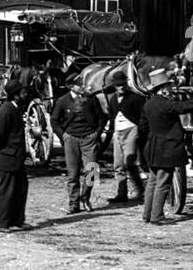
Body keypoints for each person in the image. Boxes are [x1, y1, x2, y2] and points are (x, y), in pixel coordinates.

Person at [137, 78, 193, 224]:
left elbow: (143, 127)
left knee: (152, 182)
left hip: (152, 147)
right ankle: (157, 217)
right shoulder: (166, 103)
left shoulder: (147, 104)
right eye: (168, 87)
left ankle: (147, 215)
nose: (171, 89)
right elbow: (187, 106)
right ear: (162, 88)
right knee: (163, 183)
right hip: (167, 148)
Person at [0, 79, 33, 232]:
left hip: (16, 157)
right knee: (7, 190)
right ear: (16, 95)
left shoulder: (16, 108)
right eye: (23, 92)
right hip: (6, 157)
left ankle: (17, 220)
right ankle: (1, 223)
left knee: (21, 188)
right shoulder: (6, 110)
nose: (26, 94)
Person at [51, 79, 104, 213]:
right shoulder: (63, 101)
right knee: (73, 174)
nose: (82, 87)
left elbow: (102, 118)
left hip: (89, 139)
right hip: (71, 139)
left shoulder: (91, 99)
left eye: (83, 84)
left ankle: (85, 198)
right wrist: (63, 136)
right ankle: (74, 204)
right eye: (79, 85)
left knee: (92, 171)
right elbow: (54, 120)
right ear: (70, 86)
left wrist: (96, 134)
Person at [103, 81, 147, 204]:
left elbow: (142, 116)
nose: (121, 87)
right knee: (118, 164)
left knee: (129, 161)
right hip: (118, 131)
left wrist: (140, 130)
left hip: (131, 130)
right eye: (118, 85)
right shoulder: (113, 99)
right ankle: (122, 193)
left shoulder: (135, 98)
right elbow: (112, 116)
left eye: (123, 85)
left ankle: (141, 190)